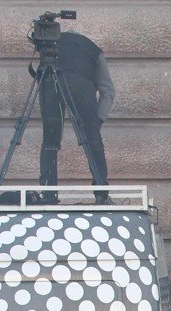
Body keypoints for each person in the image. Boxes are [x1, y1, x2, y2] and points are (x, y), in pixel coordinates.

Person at [36, 30, 115, 204]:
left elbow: (39, 75)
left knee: (50, 141)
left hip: (51, 84)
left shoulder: (49, 46)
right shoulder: (94, 50)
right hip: (82, 87)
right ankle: (101, 194)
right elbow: (108, 91)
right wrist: (97, 121)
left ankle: (48, 194)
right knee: (92, 140)